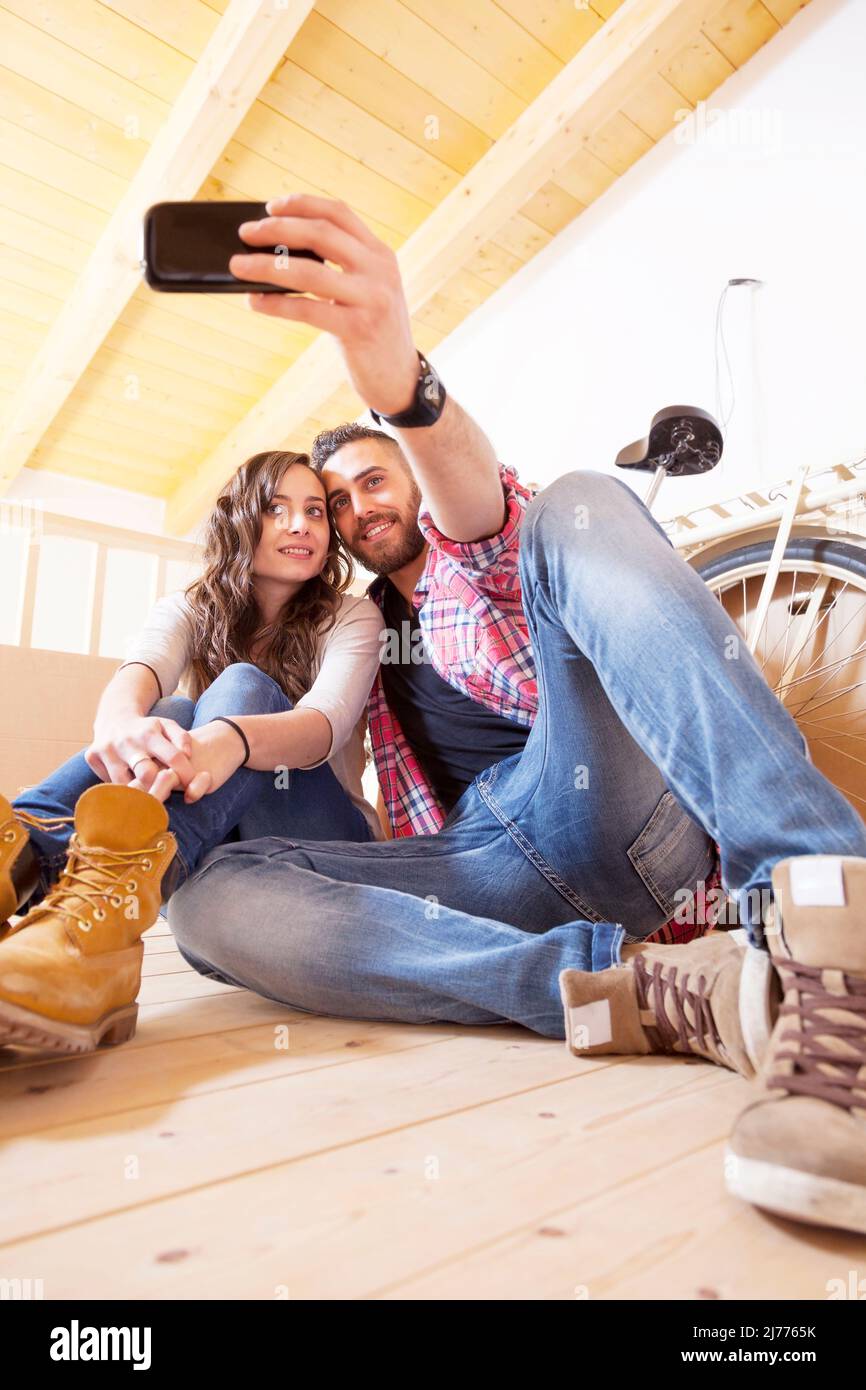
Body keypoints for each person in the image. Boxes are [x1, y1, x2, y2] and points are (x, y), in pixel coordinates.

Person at [163, 194, 866, 1235]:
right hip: (482, 861)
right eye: (338, 504)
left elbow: (478, 507)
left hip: (597, 806)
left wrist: (400, 383)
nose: (356, 510)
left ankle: (828, 934)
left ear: (406, 470)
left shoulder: (475, 560)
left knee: (580, 502)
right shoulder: (360, 628)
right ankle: (653, 988)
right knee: (208, 903)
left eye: (369, 481)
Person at [0, 449, 384, 1051]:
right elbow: (140, 672)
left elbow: (324, 725)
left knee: (241, 687)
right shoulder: (189, 606)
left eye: (314, 511)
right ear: (239, 520)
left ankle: (48, 862)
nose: (300, 524)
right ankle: (28, 849)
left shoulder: (353, 616)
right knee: (168, 713)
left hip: (324, 838)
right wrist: (122, 725)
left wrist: (230, 739)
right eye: (276, 509)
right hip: (212, 833)